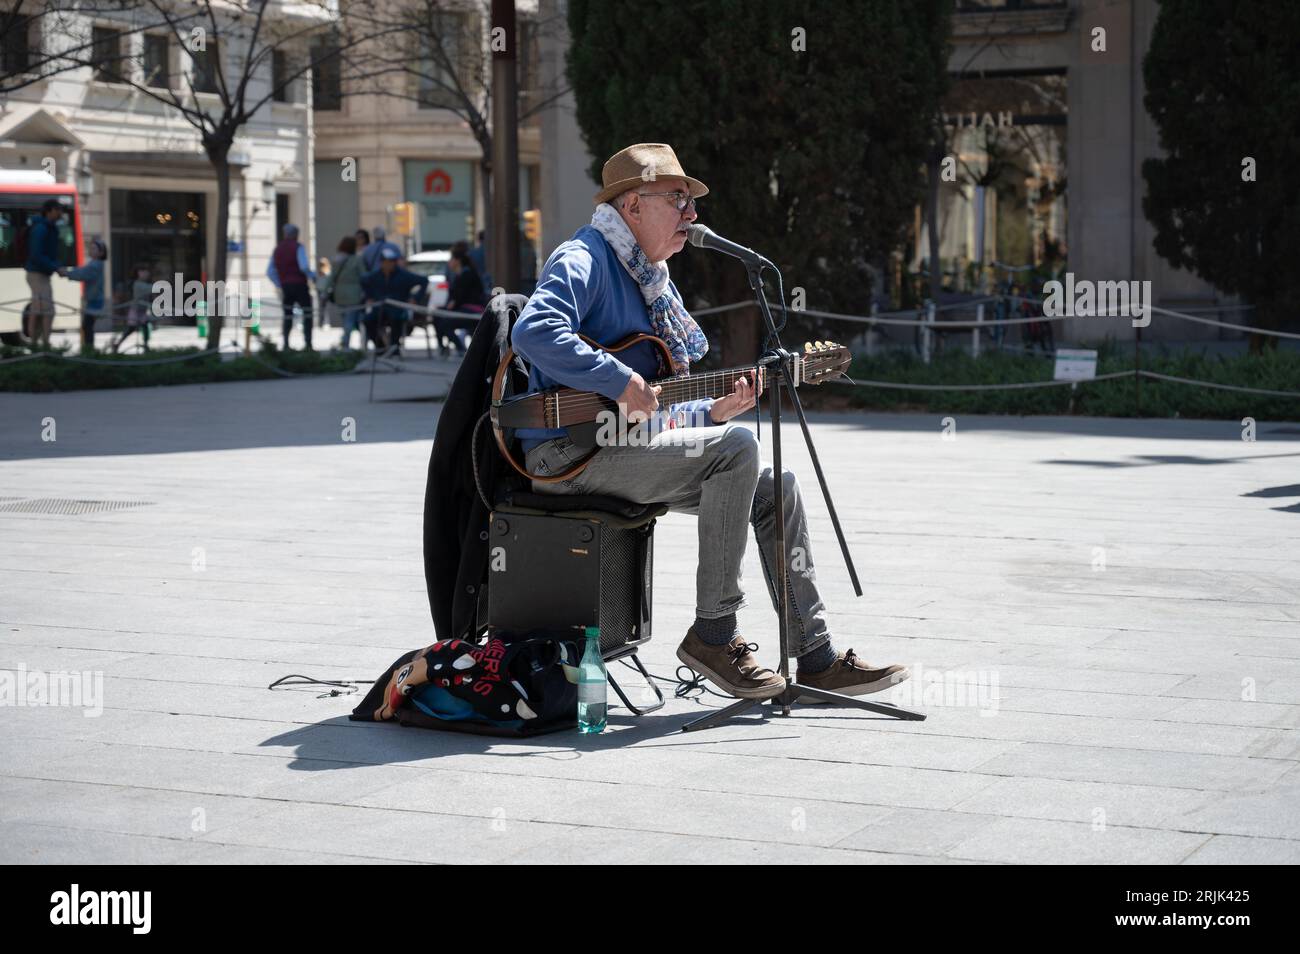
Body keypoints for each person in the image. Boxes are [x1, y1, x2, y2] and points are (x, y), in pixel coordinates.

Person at [511, 143, 910, 702]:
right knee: (737, 447)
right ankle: (714, 634)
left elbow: (653, 404)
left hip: (623, 446)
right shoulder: (584, 259)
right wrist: (619, 379)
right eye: (677, 199)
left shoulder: (650, 279)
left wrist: (709, 412)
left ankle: (814, 654)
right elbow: (534, 333)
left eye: (690, 201)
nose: (692, 214)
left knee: (776, 487)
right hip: (568, 456)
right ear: (631, 205)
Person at [360, 246, 428, 356]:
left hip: (397, 309)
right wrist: (369, 296)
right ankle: (381, 347)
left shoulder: (403, 275)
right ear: (382, 262)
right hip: (380, 309)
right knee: (367, 320)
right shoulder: (375, 276)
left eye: (392, 261)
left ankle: (394, 348)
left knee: (397, 319)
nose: (390, 264)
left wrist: (415, 298)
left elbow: (424, 281)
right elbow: (363, 281)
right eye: (387, 262)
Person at [23, 198, 65, 348]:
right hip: (37, 274)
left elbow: (50, 253)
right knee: (47, 310)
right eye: (58, 210)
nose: (61, 213)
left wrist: (56, 266)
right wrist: (55, 267)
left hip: (41, 274)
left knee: (39, 309)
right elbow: (37, 254)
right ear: (50, 211)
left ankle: (38, 344)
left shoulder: (48, 227)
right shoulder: (42, 228)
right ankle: (43, 344)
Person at [266, 223, 315, 350]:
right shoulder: (298, 247)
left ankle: (286, 343)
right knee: (307, 313)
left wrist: (280, 283)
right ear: (296, 235)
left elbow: (270, 271)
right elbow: (303, 266)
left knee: (287, 315)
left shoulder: (277, 249)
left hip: (286, 287)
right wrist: (312, 277)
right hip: (300, 285)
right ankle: (308, 343)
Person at [434, 247, 488, 357]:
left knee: (444, 323)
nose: (449, 262)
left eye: (451, 259)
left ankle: (460, 348)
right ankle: (442, 347)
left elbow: (460, 297)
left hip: (472, 310)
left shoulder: (468, 274)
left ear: (457, 260)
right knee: (436, 315)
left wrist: (452, 304)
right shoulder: (458, 275)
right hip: (461, 308)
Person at [62, 237, 108, 352]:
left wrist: (67, 273)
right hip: (93, 300)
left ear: (101, 252)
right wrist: (69, 272)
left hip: (95, 301)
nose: (90, 250)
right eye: (90, 248)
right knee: (87, 326)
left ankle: (89, 350)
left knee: (87, 326)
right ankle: (88, 350)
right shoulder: (95, 263)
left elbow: (83, 273)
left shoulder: (96, 265)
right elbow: (82, 271)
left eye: (94, 248)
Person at [323, 235, 366, 349]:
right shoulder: (356, 260)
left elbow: (331, 278)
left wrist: (325, 292)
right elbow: (364, 276)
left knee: (346, 320)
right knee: (350, 320)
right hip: (354, 294)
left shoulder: (336, 260)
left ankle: (345, 341)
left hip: (339, 294)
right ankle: (346, 342)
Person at [113, 263, 153, 352]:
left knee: (145, 326)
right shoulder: (137, 284)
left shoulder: (144, 283)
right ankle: (118, 344)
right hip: (135, 310)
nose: (145, 274)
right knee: (131, 329)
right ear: (138, 273)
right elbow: (148, 289)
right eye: (143, 272)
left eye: (146, 272)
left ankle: (146, 345)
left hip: (143, 310)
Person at [468, 229, 490, 295]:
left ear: (478, 239)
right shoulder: (491, 252)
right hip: (490, 282)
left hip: (478, 283)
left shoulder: (472, 253)